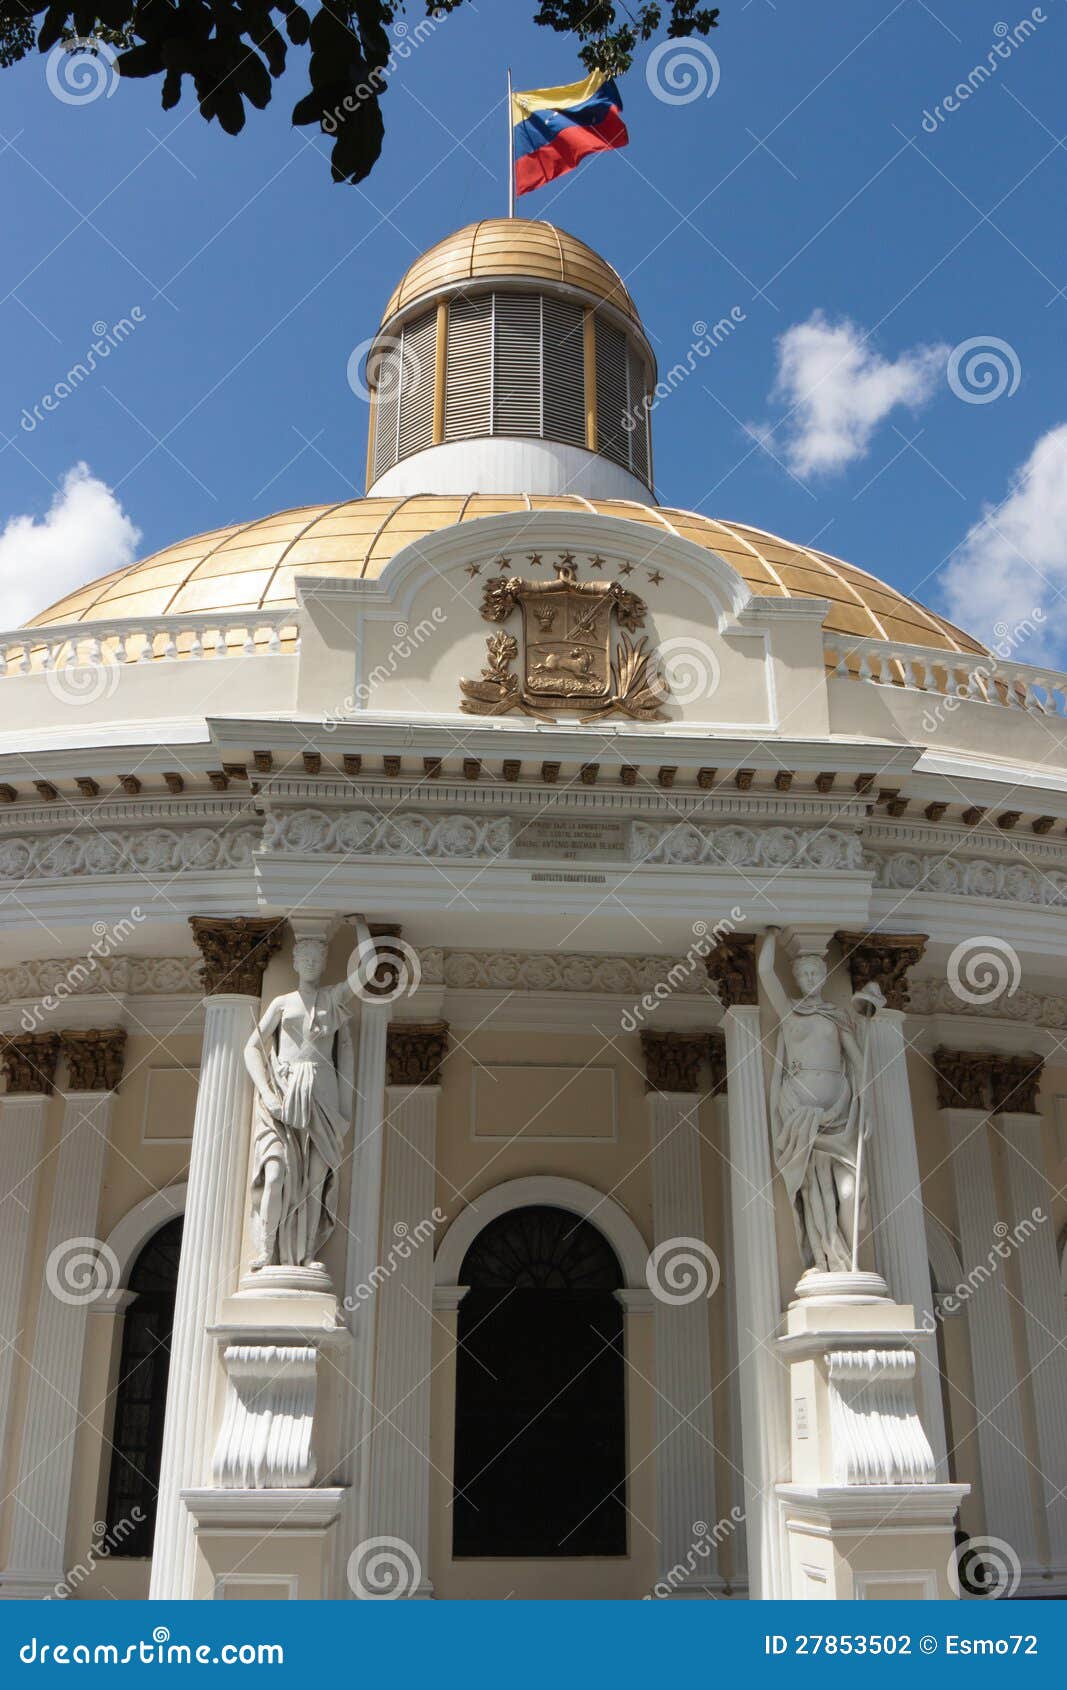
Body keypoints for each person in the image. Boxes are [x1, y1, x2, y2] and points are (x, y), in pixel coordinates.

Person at [243, 934, 357, 1270]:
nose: (309, 963)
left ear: (323, 964)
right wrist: (266, 1092)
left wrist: (362, 929)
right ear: (294, 963)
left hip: (322, 1093)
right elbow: (251, 1047)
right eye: (304, 958)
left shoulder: (331, 998)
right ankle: (266, 1250)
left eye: (316, 959)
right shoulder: (282, 1003)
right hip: (283, 1092)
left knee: (315, 1180)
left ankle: (306, 1255)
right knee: (276, 1174)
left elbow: (366, 970)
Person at [758, 928, 867, 1275]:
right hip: (799, 1112)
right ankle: (822, 1259)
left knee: (849, 1192)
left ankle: (847, 1261)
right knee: (808, 1189)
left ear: (823, 976)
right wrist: (770, 934)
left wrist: (867, 1107)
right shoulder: (789, 1012)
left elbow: (859, 1063)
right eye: (803, 974)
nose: (809, 978)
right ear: (796, 979)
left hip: (840, 1114)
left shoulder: (837, 1016)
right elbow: (764, 973)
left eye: (815, 973)